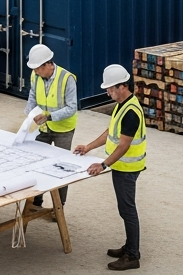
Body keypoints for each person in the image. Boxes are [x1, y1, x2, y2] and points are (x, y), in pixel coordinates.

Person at [74, 64, 146, 270]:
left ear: (123, 86)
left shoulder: (131, 112)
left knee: (127, 210)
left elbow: (123, 145)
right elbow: (110, 132)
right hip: (121, 167)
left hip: (127, 168)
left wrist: (103, 165)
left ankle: (132, 255)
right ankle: (129, 247)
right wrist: (88, 147)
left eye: (111, 89)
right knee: (125, 209)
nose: (108, 92)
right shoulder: (122, 105)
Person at [24, 43, 78, 206]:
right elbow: (33, 96)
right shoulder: (36, 76)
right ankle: (36, 200)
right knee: (37, 162)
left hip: (63, 130)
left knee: (61, 168)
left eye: (38, 68)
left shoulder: (67, 79)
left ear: (49, 64)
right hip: (42, 128)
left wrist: (49, 116)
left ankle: (59, 206)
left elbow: (72, 108)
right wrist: (28, 115)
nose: (35, 72)